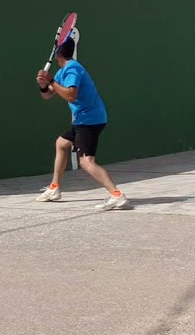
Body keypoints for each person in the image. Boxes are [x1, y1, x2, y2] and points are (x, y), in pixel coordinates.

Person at [35, 37, 128, 208]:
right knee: (61, 144)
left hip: (90, 120)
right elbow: (48, 94)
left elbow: (71, 95)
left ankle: (117, 195)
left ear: (58, 53)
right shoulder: (62, 72)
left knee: (86, 162)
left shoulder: (73, 69)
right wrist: (43, 85)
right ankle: (54, 188)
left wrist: (51, 82)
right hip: (83, 120)